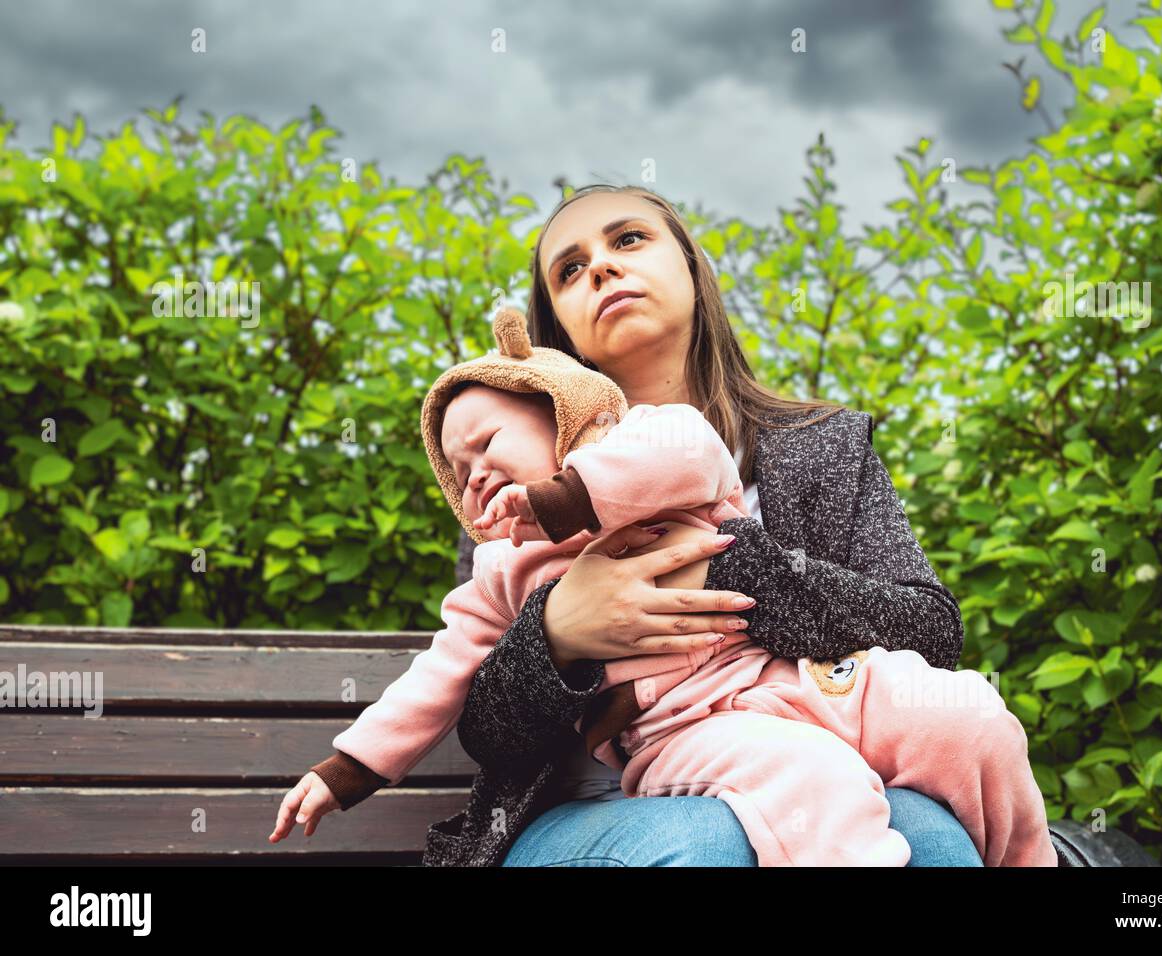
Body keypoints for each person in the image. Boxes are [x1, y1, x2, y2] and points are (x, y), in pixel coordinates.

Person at [268, 309, 1055, 866]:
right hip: (684, 732)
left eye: (485, 444)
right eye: (459, 474)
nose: (475, 476)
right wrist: (353, 768)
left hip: (795, 682)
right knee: (819, 787)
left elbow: (683, 452)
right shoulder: (502, 563)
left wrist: (578, 502)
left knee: (967, 715)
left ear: (559, 406)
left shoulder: (663, 440)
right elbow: (446, 684)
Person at [436, 184, 989, 865]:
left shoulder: (824, 445)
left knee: (931, 837)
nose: (601, 267)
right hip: (587, 812)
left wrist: (727, 570)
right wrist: (558, 635)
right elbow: (485, 730)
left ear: (694, 270)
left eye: (628, 239)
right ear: (558, 326)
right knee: (709, 839)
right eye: (569, 269)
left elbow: (932, 634)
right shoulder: (514, 480)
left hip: (819, 774)